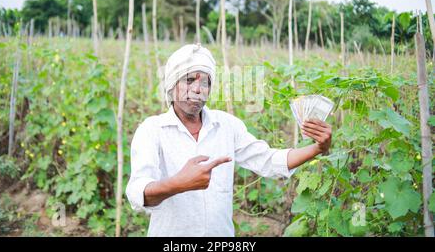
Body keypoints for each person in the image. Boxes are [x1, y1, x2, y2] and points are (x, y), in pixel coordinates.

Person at [126, 43, 332, 237]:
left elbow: (269, 160)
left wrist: (318, 148)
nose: (198, 89)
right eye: (189, 80)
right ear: (172, 85)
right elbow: (138, 192)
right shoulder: (152, 130)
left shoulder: (226, 125)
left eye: (205, 82)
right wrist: (179, 184)